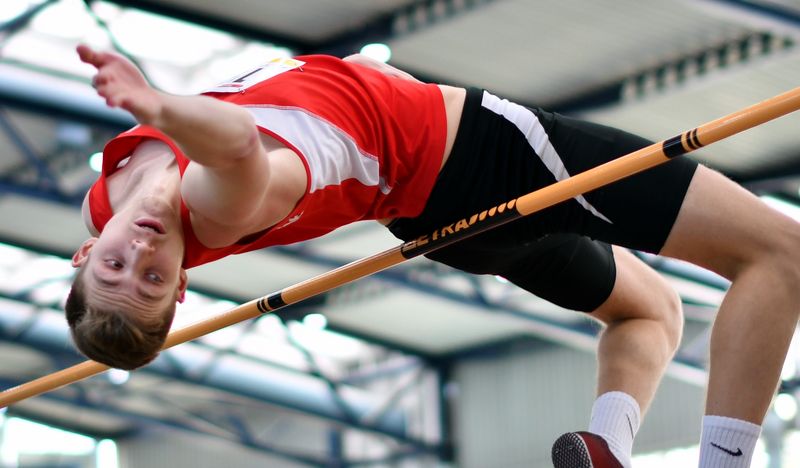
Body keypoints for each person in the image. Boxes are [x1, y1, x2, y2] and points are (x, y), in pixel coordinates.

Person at [68, 43, 800, 468]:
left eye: (114, 267)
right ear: (184, 285)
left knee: (650, 310)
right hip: (481, 154)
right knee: (778, 254)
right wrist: (157, 106)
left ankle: (607, 445)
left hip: (438, 221)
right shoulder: (215, 207)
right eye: (155, 278)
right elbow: (230, 143)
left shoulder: (101, 203)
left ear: (83, 251)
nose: (137, 253)